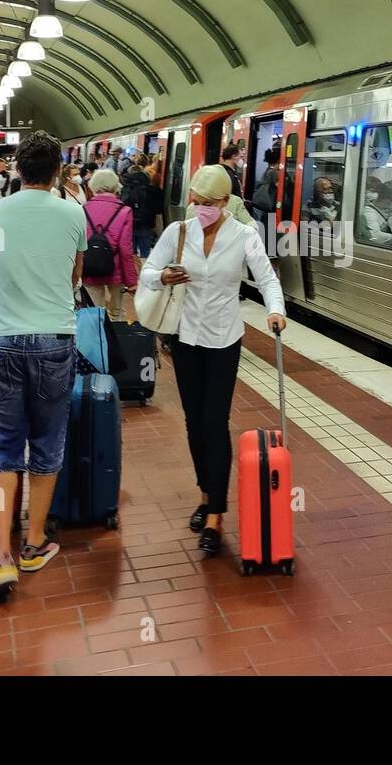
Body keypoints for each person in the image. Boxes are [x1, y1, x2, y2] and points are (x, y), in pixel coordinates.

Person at [138, 165, 286, 556]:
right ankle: (206, 495)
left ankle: (217, 516)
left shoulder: (244, 236)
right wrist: (163, 277)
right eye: (196, 201)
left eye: (208, 203)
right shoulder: (177, 232)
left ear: (225, 203)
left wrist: (275, 309)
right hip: (184, 338)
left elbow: (268, 278)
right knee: (192, 421)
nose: (199, 208)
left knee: (213, 421)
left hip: (224, 339)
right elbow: (148, 271)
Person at [0, 131, 88, 603]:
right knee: (47, 441)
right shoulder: (73, 212)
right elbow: (76, 276)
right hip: (53, 337)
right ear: (58, 171)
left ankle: (0, 554)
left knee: (0, 446)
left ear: (17, 171)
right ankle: (34, 542)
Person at [80, 168, 137, 319]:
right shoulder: (124, 211)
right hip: (115, 269)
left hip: (89, 267)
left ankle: (97, 340)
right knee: (116, 312)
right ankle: (115, 338)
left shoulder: (83, 209)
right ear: (115, 185)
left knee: (92, 313)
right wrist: (131, 281)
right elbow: (125, 249)